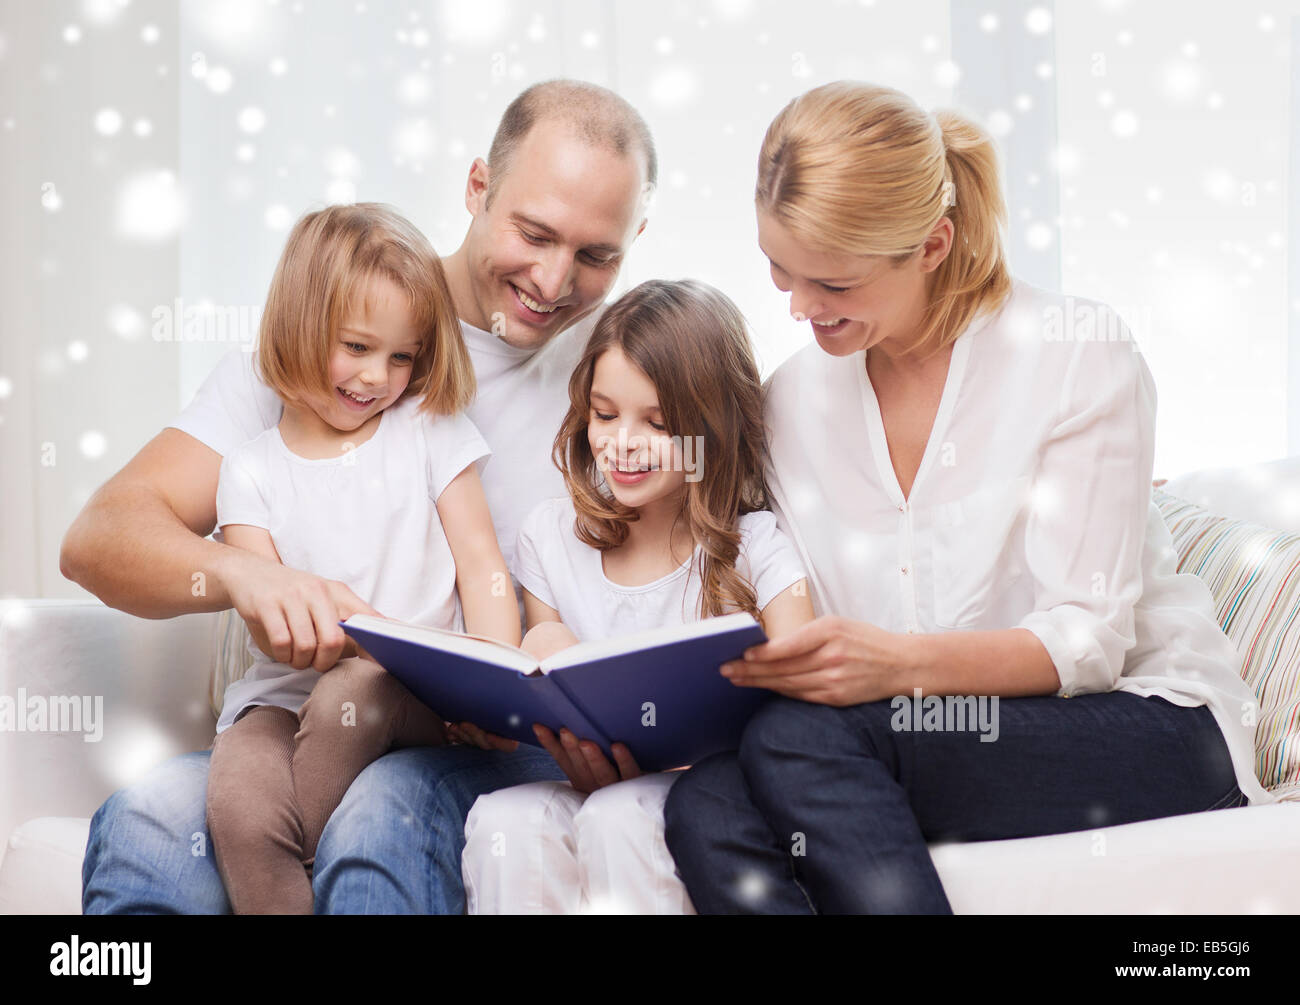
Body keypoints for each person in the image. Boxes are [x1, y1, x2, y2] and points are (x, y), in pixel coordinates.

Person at [662, 81, 1274, 915]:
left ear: (933, 244)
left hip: (1147, 724)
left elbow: (1086, 641)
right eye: (780, 272)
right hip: (915, 737)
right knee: (705, 802)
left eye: (833, 284)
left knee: (799, 741)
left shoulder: (1074, 357)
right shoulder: (791, 404)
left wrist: (894, 665)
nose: (801, 307)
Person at [67, 79, 657, 914]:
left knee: (377, 814)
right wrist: (246, 576)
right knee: (149, 821)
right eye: (534, 233)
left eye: (597, 255)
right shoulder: (308, 359)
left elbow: (698, 566)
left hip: (478, 739)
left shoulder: (625, 380)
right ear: (477, 186)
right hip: (297, 719)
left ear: (636, 242)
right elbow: (99, 537)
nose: (554, 279)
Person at [206, 203, 524, 914]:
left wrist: (495, 685)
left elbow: (484, 566)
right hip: (283, 698)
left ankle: (316, 855)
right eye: (355, 346)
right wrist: (338, 619)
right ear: (297, 324)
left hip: (411, 693)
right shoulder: (250, 469)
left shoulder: (427, 426)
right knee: (238, 805)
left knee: (353, 692)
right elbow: (267, 622)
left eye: (402, 355)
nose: (377, 376)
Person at [460, 280, 813, 914]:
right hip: (584, 781)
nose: (622, 442)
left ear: (714, 430)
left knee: (621, 817)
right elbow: (548, 687)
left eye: (658, 423)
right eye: (604, 414)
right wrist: (542, 647)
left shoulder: (755, 547)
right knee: (505, 820)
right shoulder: (551, 535)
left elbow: (803, 707)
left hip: (709, 792)